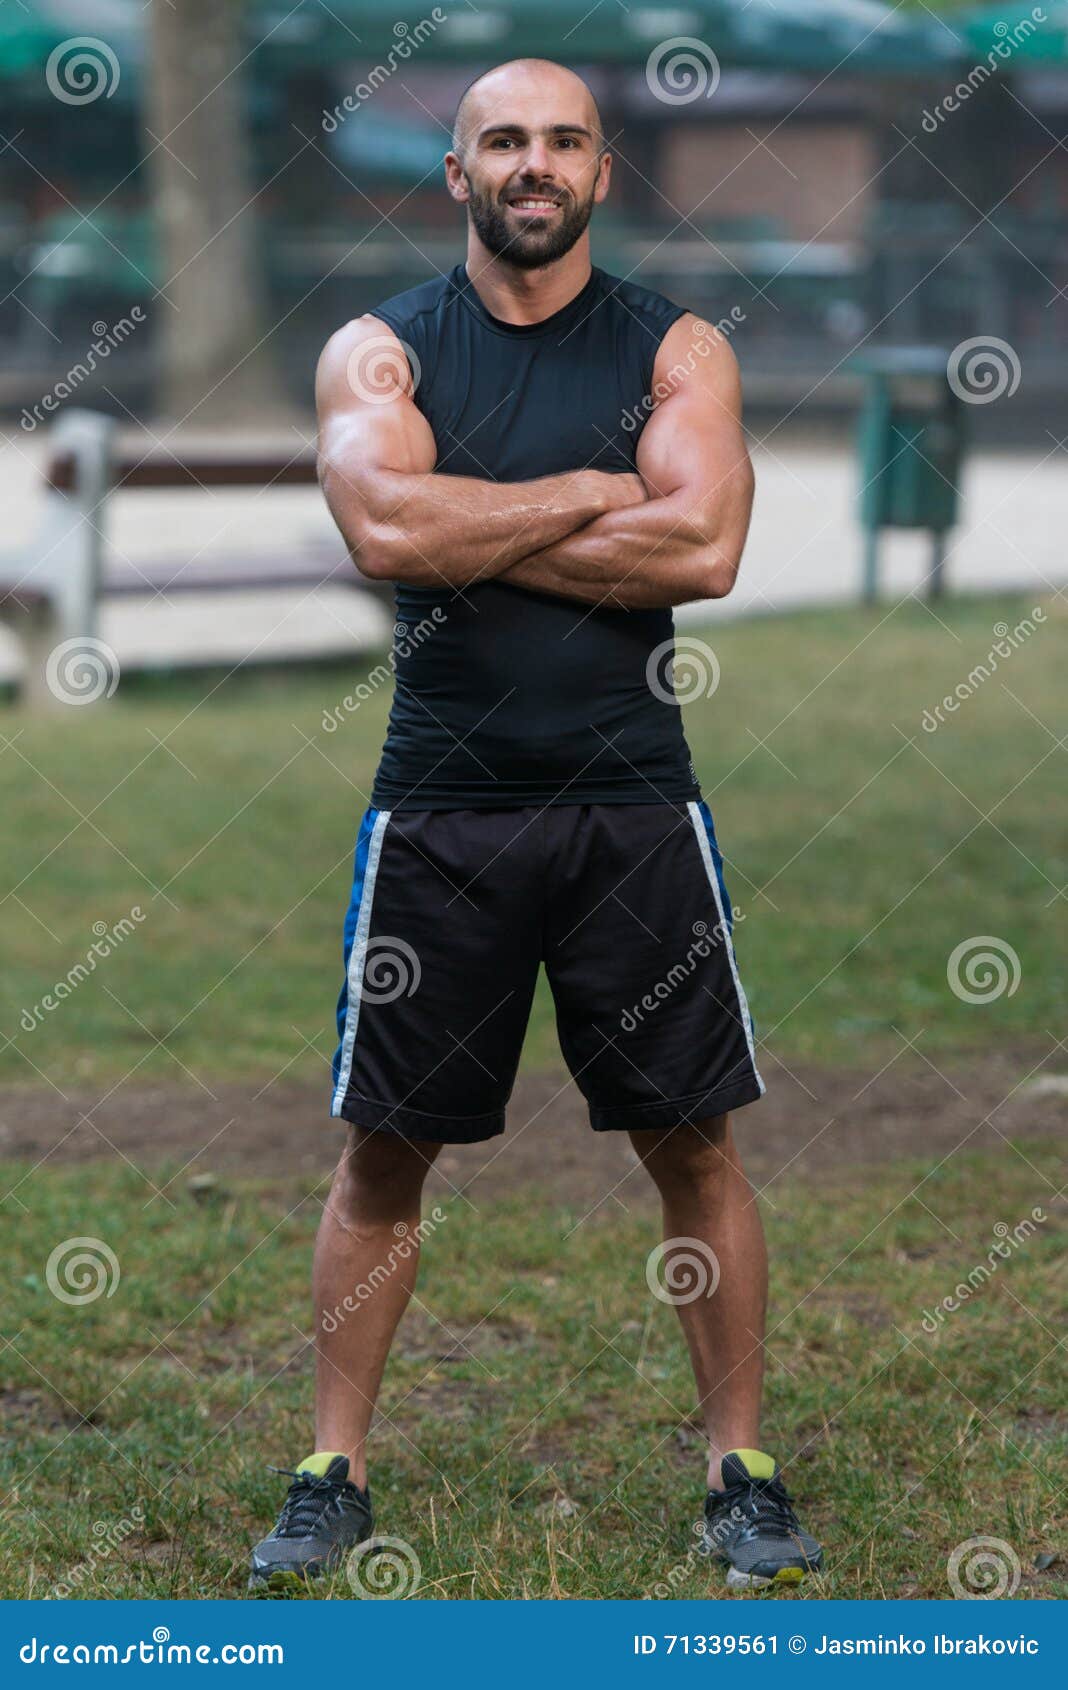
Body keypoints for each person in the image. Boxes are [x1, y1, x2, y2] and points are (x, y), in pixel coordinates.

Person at [249, 57, 821, 1595]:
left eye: (563, 139)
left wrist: (479, 521)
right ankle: (332, 1469)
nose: (534, 163)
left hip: (635, 801)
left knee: (692, 1146)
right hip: (441, 808)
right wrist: (588, 489)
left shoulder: (676, 345)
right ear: (458, 173)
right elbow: (384, 526)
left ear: (598, 171)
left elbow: (700, 546)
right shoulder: (381, 353)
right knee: (385, 1154)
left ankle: (741, 1470)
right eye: (503, 139)